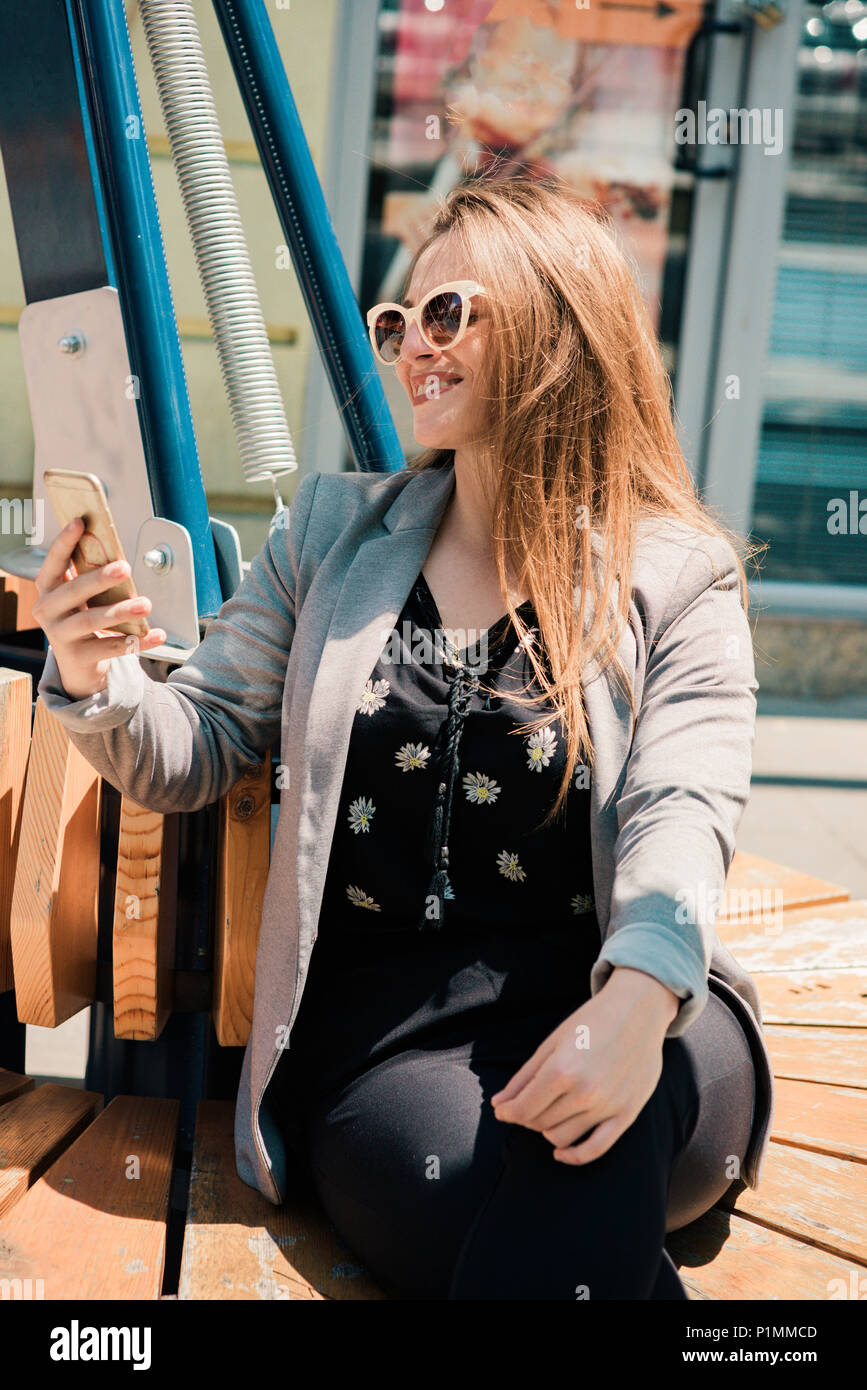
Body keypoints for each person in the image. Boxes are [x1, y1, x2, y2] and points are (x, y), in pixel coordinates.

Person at [34, 177, 773, 1301]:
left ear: (553, 323)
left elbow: (688, 802)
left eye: (446, 314)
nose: (409, 349)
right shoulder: (332, 538)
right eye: (396, 324)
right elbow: (197, 743)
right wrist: (99, 677)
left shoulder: (675, 573)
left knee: (612, 1120)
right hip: (404, 1052)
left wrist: (631, 1008)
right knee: (508, 1184)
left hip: (647, 1008)